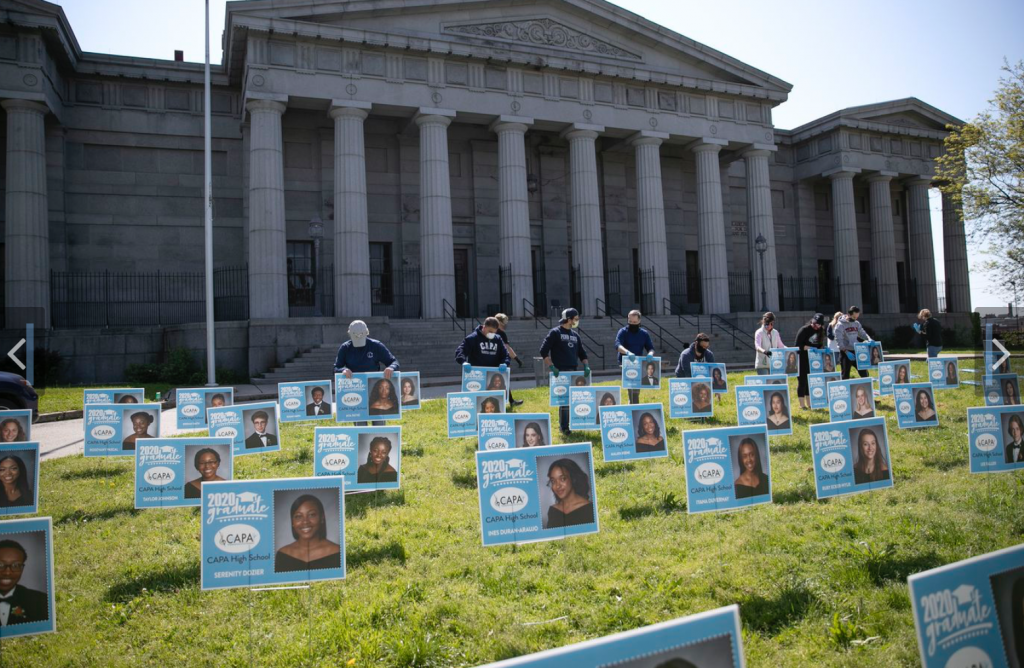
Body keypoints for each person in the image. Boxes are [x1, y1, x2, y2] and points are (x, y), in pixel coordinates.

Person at [334, 320, 400, 426]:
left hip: (375, 390)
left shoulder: (376, 346)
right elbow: (337, 367)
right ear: (349, 334)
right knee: (360, 426)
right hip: (355, 392)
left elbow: (394, 361)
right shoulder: (345, 348)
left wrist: (391, 367)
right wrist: (343, 370)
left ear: (367, 333)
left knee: (379, 424)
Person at [540, 308, 590, 438]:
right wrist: (551, 367)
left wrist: (586, 365)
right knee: (564, 402)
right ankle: (564, 427)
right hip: (560, 372)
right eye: (576, 319)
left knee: (574, 400)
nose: (577, 321)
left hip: (573, 371)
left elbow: (582, 353)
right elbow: (543, 351)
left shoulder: (575, 335)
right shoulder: (555, 333)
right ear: (569, 319)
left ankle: (574, 424)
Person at [274, 495, 342, 573]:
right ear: (292, 522)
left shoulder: (337, 552)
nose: (305, 521)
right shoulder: (283, 554)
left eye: (311, 515)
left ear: (322, 518)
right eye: (298, 516)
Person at [0, 539, 49, 626]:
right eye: (0, 565)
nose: (7, 572)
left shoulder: (41, 601)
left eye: (16, 565)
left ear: (22, 568)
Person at [615, 310, 655, 404]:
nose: (632, 324)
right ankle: (633, 404)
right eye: (630, 322)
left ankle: (633, 403)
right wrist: (627, 352)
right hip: (626, 363)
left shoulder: (644, 334)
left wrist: (650, 354)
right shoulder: (623, 332)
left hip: (638, 363)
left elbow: (651, 348)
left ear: (639, 321)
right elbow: (617, 345)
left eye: (634, 322)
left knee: (636, 389)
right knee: (631, 388)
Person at [545, 458, 594, 528]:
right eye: (553, 481)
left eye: (562, 479)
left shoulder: (589, 508)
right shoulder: (553, 510)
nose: (557, 486)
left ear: (573, 479)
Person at [794, 313, 826, 409]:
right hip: (802, 358)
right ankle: (802, 404)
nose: (816, 326)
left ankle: (809, 403)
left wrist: (823, 349)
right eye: (815, 324)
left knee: (809, 381)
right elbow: (797, 345)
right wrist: (809, 348)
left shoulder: (821, 331)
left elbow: (820, 344)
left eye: (819, 325)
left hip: (813, 360)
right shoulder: (804, 330)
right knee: (802, 381)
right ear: (812, 321)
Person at [494, 313, 524, 407]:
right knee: (504, 381)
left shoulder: (492, 331)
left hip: (491, 359)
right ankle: (510, 402)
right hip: (500, 360)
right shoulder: (501, 333)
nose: (506, 324)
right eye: (504, 321)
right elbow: (507, 348)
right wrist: (516, 359)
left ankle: (509, 401)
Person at [836, 306, 872, 380]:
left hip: (857, 351)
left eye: (857, 317)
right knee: (845, 375)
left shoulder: (856, 323)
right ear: (849, 314)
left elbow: (862, 333)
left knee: (864, 373)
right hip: (845, 353)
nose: (855, 319)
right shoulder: (840, 325)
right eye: (854, 317)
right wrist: (846, 351)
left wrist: (869, 338)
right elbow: (839, 341)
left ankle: (866, 389)